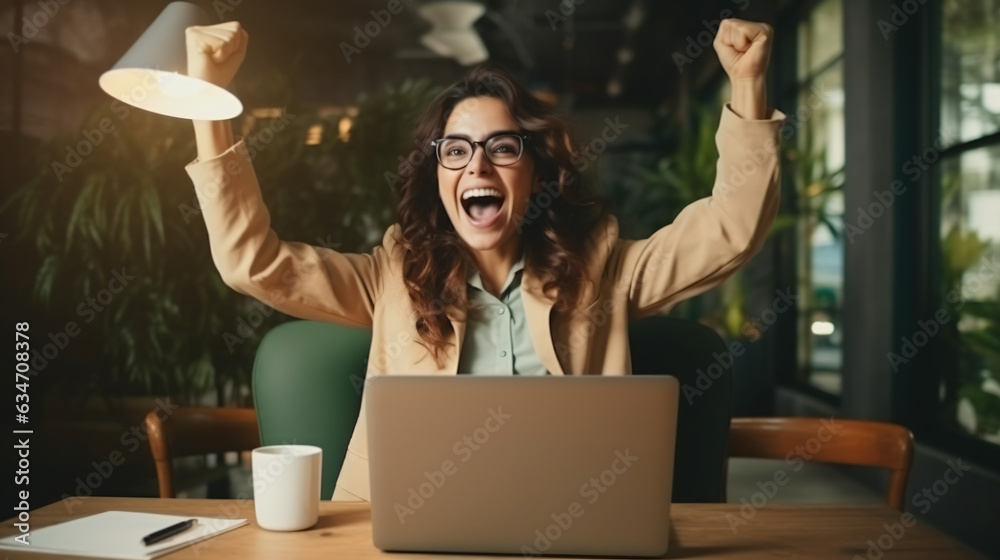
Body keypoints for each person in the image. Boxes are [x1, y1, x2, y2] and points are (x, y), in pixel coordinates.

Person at [184, 18, 787, 501]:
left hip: (572, 517)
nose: (477, 166)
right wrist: (209, 107)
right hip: (409, 525)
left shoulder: (604, 269)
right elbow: (252, 262)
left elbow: (730, 231)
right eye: (456, 151)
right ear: (438, 174)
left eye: (502, 147)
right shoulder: (390, 276)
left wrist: (749, 86)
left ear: (535, 170)